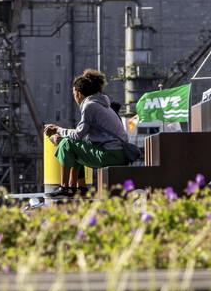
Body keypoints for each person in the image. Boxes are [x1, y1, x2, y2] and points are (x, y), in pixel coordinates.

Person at [43, 69, 140, 198]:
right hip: (119, 153)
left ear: (78, 93)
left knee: (67, 144)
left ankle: (65, 187)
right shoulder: (102, 104)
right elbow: (82, 137)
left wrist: (57, 130)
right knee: (76, 146)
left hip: (110, 154)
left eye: (73, 93)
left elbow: (78, 135)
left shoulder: (89, 106)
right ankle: (79, 188)